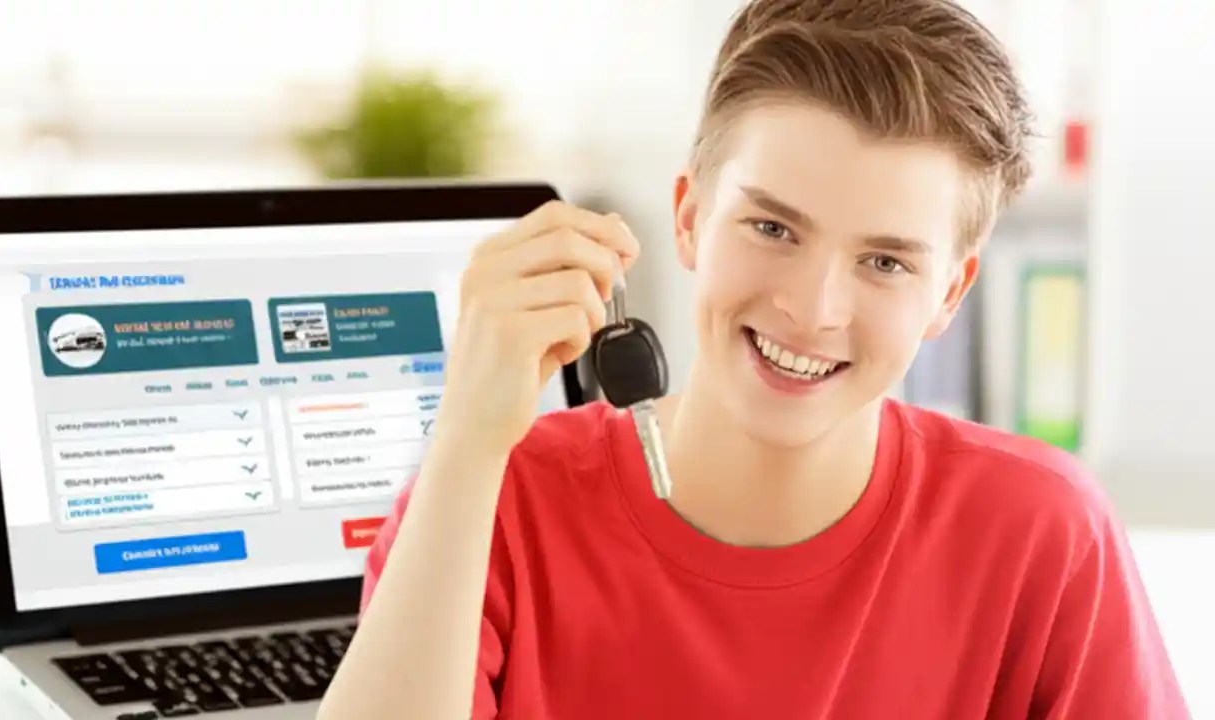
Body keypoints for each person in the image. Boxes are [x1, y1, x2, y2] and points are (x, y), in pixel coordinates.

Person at [317, 0, 1189, 717]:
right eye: (772, 228)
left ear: (950, 296)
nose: (812, 309)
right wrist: (469, 439)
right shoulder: (493, 503)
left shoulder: (1041, 531)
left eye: (884, 262)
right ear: (689, 217)